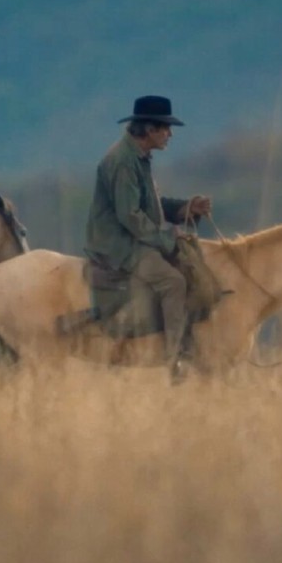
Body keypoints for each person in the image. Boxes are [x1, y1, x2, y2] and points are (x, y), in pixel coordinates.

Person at [85, 95, 213, 384]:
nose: (170, 135)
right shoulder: (123, 162)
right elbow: (130, 216)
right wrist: (167, 238)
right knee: (173, 281)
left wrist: (185, 209)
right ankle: (175, 358)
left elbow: (150, 206)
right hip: (118, 243)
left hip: (133, 236)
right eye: (166, 128)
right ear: (150, 129)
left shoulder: (137, 157)